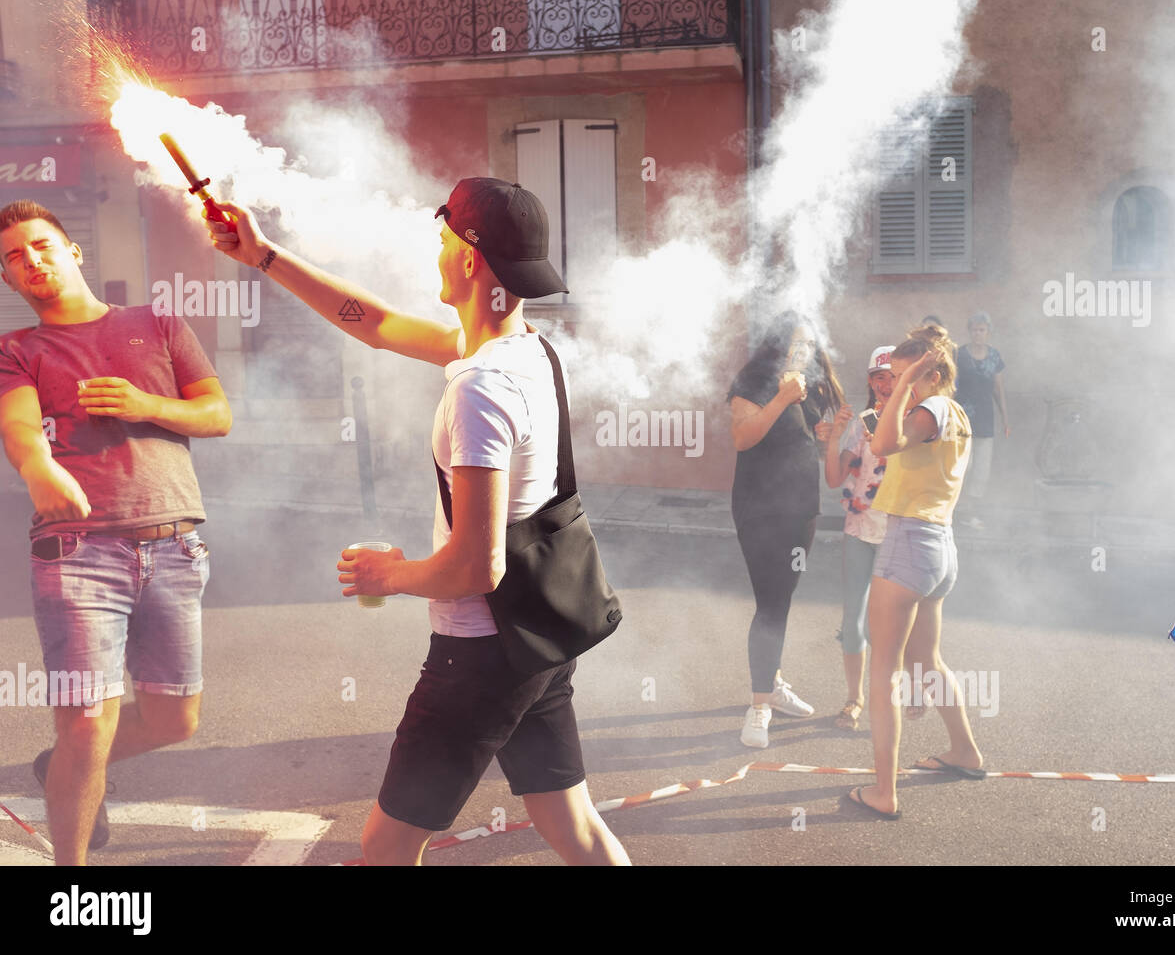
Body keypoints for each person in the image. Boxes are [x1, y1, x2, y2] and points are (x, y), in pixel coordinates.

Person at [205, 178, 629, 865]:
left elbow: (474, 566)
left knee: (385, 849)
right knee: (573, 829)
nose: (434, 255)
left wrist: (388, 573)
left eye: (442, 242)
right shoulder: (530, 353)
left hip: (480, 657)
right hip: (537, 640)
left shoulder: (479, 388)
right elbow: (371, 325)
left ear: (469, 259)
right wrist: (263, 256)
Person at [0, 199, 230, 865]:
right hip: (78, 553)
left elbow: (216, 414)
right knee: (87, 725)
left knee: (174, 720)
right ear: (10, 281)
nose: (30, 261)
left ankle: (59, 764)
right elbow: (18, 428)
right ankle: (71, 885)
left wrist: (143, 404)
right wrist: (39, 469)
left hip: (177, 545)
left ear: (72, 251)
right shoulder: (18, 349)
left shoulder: (155, 322)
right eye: (14, 258)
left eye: (40, 245)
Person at [844, 325, 983, 820]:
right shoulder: (954, 412)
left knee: (884, 672)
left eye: (906, 375)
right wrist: (903, 390)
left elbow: (883, 447)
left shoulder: (934, 408)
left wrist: (904, 387)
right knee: (926, 659)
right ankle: (964, 751)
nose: (895, 384)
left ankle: (884, 792)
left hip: (910, 542)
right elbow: (890, 438)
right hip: (938, 545)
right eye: (894, 376)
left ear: (933, 373)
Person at [727, 315, 845, 748]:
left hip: (801, 509)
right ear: (777, 345)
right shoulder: (755, 382)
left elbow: (798, 445)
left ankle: (770, 681)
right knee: (771, 604)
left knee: (783, 598)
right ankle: (759, 706)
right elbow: (742, 438)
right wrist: (780, 400)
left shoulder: (807, 387)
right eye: (796, 344)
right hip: (760, 509)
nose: (804, 353)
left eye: (810, 345)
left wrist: (823, 437)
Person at [823, 345, 895, 731]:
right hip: (859, 532)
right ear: (870, 381)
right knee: (853, 620)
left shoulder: (912, 424)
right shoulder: (861, 424)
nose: (884, 385)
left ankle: (888, 699)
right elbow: (835, 479)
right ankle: (854, 699)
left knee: (890, 623)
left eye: (891, 377)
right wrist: (834, 439)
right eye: (878, 377)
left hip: (898, 535)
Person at [953, 311, 1009, 530]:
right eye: (975, 329)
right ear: (970, 331)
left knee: (981, 470)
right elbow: (950, 386)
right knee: (962, 468)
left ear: (988, 332)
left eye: (982, 330)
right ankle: (954, 512)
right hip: (961, 420)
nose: (978, 333)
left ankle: (970, 514)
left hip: (985, 420)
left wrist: (1005, 418)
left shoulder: (994, 357)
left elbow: (999, 389)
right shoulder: (959, 355)